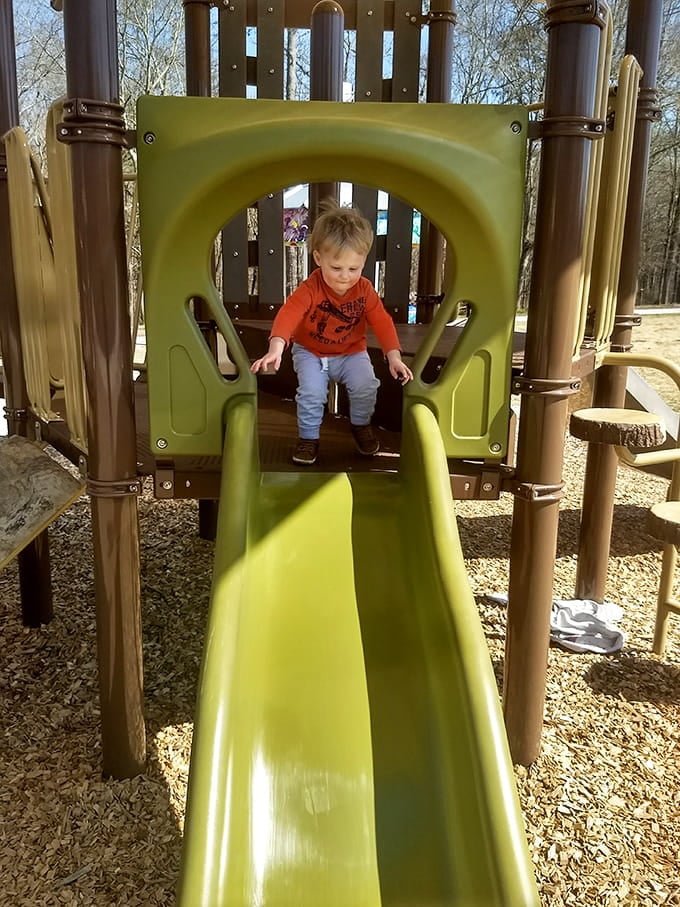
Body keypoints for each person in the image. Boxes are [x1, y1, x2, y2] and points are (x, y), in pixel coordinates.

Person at [251, 199, 414, 465]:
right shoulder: (311, 289)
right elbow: (289, 314)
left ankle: (361, 426)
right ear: (318, 258)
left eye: (354, 268)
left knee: (366, 386)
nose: (345, 276)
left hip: (351, 352)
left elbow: (382, 322)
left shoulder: (364, 290)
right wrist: (276, 347)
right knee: (312, 393)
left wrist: (394, 356)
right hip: (311, 352)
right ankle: (308, 439)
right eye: (336, 268)